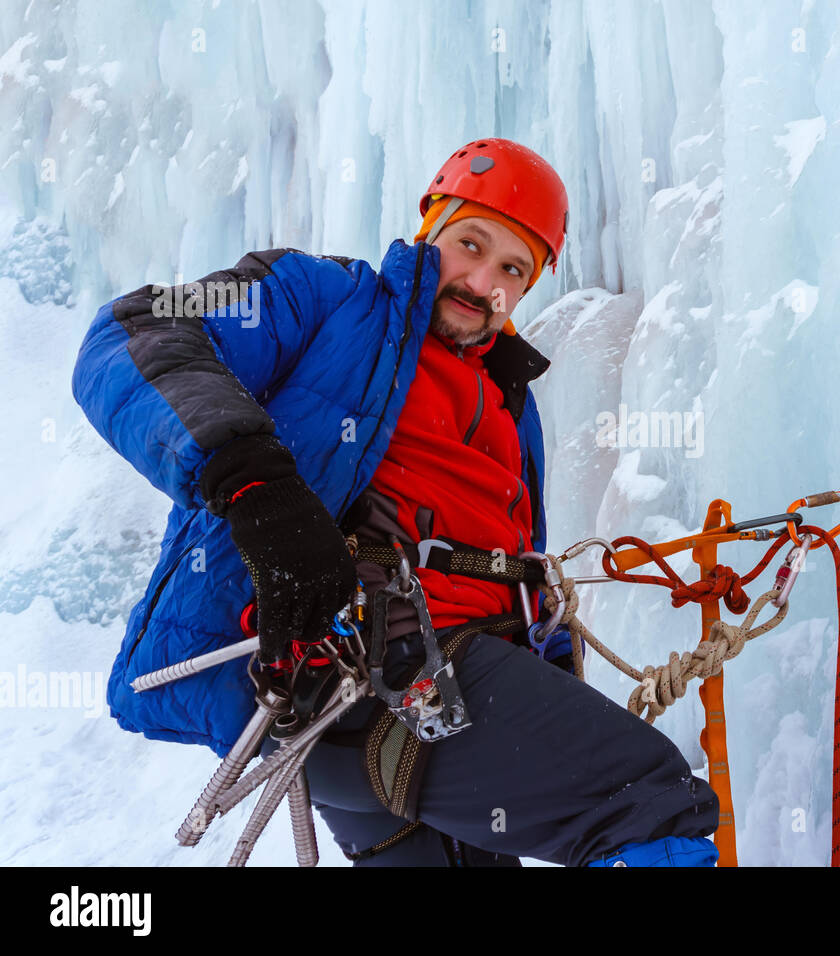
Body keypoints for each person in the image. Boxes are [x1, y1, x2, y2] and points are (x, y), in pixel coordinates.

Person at [72, 137, 719, 866]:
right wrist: (256, 486)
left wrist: (554, 677)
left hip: (423, 724)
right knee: (647, 804)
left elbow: (515, 564)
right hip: (366, 670)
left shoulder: (513, 411)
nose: (481, 281)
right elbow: (141, 329)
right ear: (428, 227)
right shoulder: (325, 298)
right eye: (469, 243)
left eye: (513, 269)